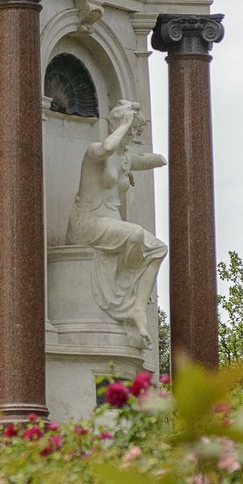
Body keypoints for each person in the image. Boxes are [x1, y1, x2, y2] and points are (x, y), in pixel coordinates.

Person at [67, 100, 166, 346]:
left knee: (157, 247)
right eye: (130, 129)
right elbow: (109, 146)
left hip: (109, 222)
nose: (132, 135)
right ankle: (134, 299)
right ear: (119, 124)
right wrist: (125, 123)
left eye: (134, 130)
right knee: (138, 238)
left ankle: (138, 308)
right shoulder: (95, 151)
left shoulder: (124, 159)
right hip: (88, 221)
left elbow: (149, 159)